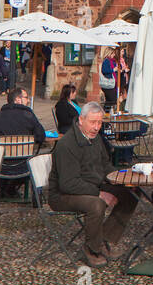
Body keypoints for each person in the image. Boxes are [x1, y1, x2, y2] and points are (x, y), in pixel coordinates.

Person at [46, 103, 138, 266]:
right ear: (81, 120)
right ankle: (91, 249)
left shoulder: (95, 139)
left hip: (90, 185)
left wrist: (121, 178)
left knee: (130, 194)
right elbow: (68, 183)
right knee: (97, 204)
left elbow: (105, 165)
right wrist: (99, 194)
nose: (97, 127)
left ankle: (103, 239)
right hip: (62, 194)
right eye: (93, 122)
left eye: (100, 123)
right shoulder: (67, 145)